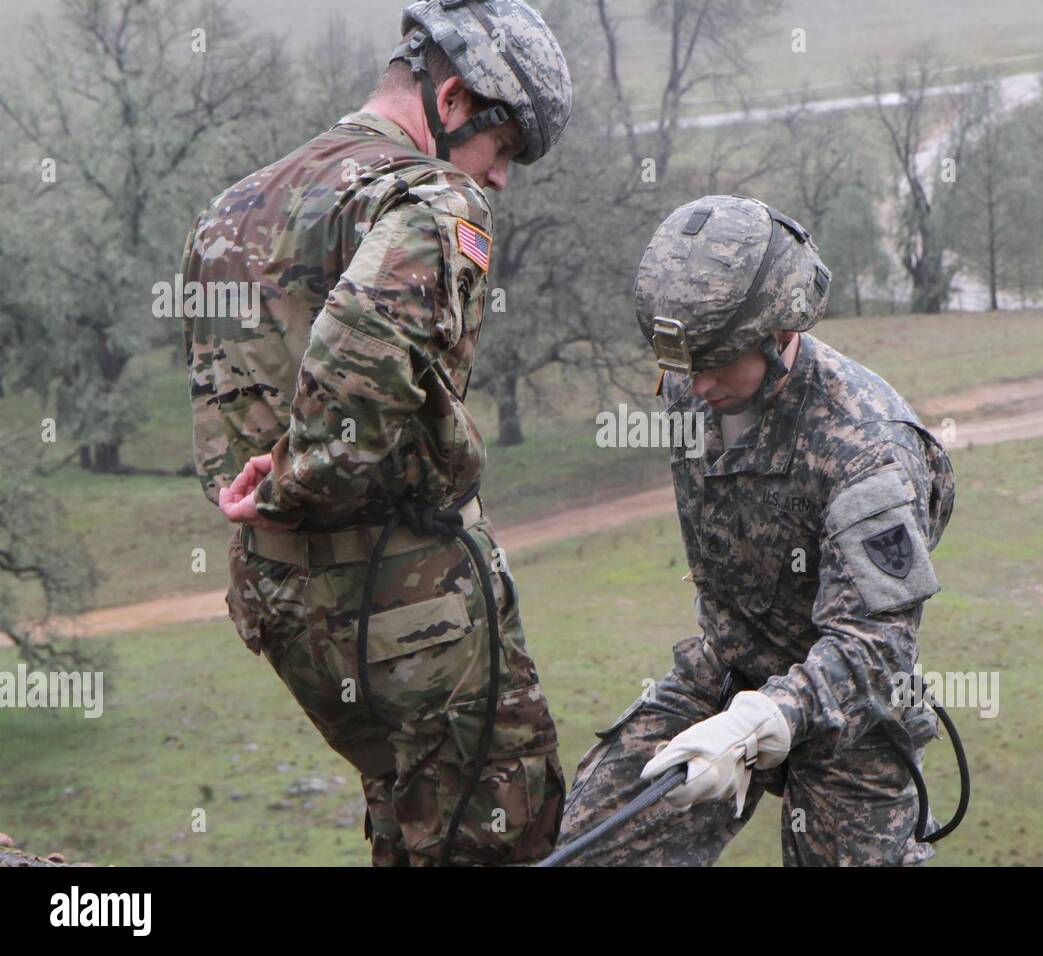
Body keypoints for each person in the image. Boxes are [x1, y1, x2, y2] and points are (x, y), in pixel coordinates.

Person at [181, 0, 572, 866]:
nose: (499, 178)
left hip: (284, 604)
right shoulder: (436, 199)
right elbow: (366, 365)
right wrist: (300, 479)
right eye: (504, 149)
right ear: (458, 98)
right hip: (408, 609)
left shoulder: (237, 205)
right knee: (502, 831)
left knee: (402, 815)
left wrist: (260, 498)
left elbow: (219, 400)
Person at [554, 195, 958, 866]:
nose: (697, 384)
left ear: (779, 334)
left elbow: (877, 644)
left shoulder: (866, 445)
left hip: (851, 711)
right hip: (726, 674)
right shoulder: (695, 386)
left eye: (715, 361)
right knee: (585, 851)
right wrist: (734, 709)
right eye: (686, 361)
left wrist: (760, 723)